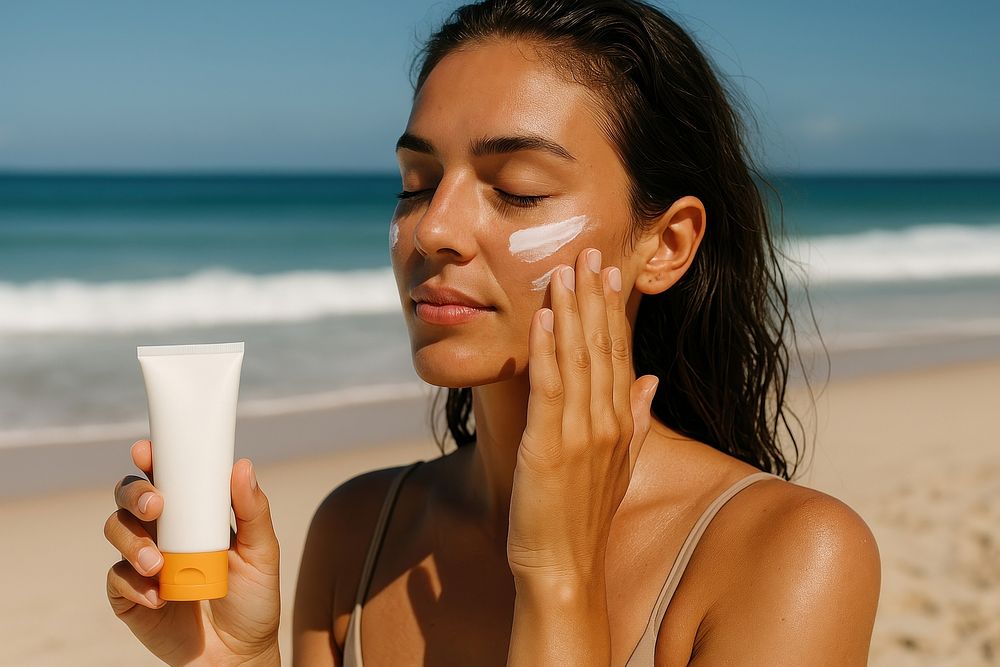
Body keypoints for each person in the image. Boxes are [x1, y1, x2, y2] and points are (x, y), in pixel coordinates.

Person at [104, 1, 881, 664]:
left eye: (516, 189)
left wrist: (558, 577)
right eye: (417, 184)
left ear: (666, 243)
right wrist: (235, 657)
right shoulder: (358, 531)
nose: (434, 227)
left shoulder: (788, 555)